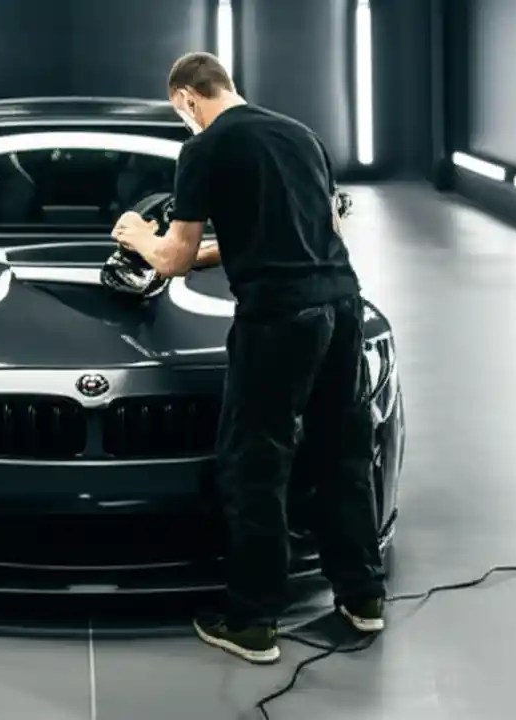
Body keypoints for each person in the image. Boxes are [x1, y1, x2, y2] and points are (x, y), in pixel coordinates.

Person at [111, 52, 386, 665]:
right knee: (342, 453)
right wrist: (217, 249)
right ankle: (363, 599)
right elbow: (317, 234)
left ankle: (254, 623)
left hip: (278, 320)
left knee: (254, 462)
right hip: (341, 305)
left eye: (180, 110)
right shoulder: (300, 135)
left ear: (186, 97)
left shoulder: (204, 149)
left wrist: (136, 237)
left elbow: (174, 258)